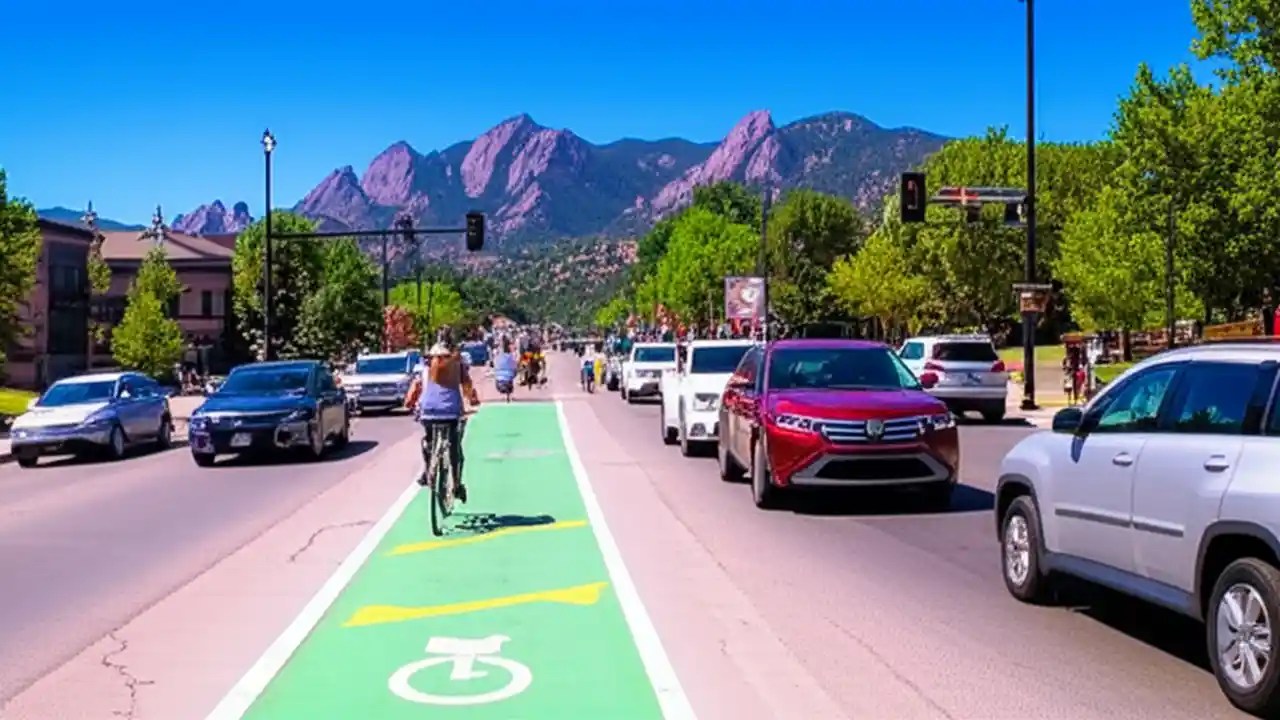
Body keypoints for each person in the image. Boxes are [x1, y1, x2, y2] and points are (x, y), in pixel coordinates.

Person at [405, 327, 479, 502]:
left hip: (428, 410)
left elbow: (416, 386)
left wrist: (410, 402)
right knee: (455, 448)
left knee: (429, 441)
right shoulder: (457, 362)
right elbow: (467, 386)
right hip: (451, 411)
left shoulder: (427, 363)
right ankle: (457, 485)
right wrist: (473, 399)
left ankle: (427, 471)